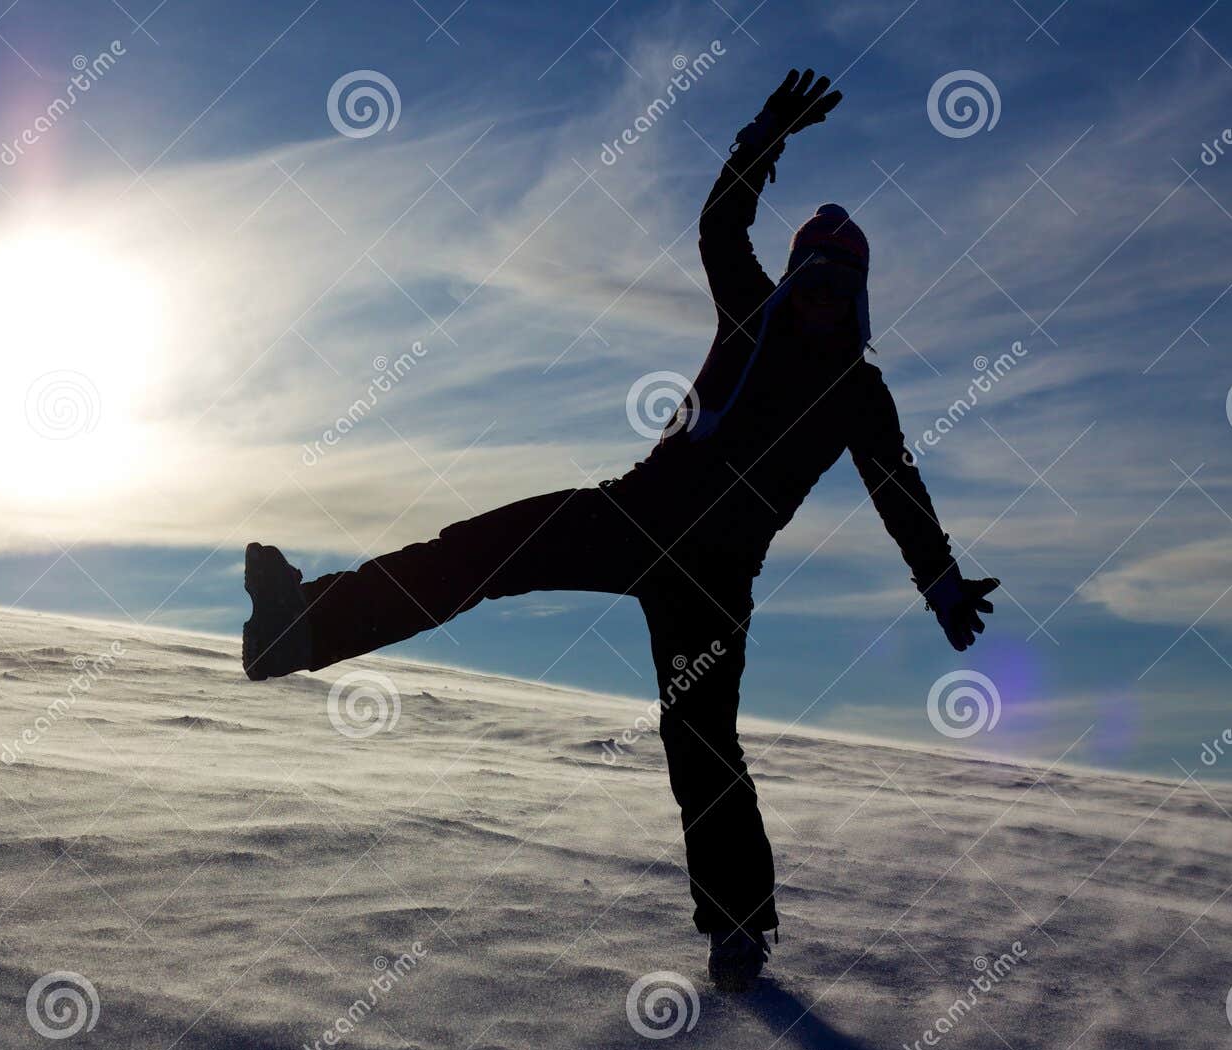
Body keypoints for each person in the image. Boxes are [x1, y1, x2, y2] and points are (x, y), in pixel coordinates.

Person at [240, 70, 999, 992]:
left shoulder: (857, 394)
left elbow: (899, 490)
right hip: (633, 517)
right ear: (798, 277)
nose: (825, 299)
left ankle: (738, 931)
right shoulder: (751, 313)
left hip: (714, 579)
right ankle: (295, 627)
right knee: (474, 553)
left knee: (703, 743)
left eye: (843, 287)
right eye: (815, 278)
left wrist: (944, 585)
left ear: (860, 297)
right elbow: (722, 224)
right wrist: (767, 134)